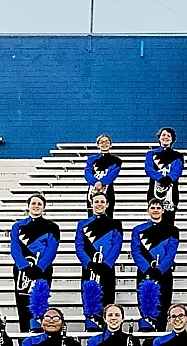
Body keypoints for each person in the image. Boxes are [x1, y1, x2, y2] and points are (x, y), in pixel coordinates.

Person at [8, 194, 60, 329]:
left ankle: (39, 333)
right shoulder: (18, 226)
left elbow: (52, 249)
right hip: (22, 270)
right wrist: (24, 267)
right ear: (28, 206)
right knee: (22, 301)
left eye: (39, 204)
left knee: (40, 301)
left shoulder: (52, 226)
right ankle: (24, 334)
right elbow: (15, 248)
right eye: (33, 203)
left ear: (44, 208)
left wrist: (39, 267)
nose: (36, 206)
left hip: (43, 269)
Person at [75, 191, 123, 331]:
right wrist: (88, 263)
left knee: (107, 298)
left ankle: (107, 330)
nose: (99, 204)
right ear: (91, 204)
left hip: (107, 269)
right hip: (89, 268)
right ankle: (91, 326)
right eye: (96, 201)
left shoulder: (115, 224)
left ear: (107, 204)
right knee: (89, 300)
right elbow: (79, 245)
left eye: (102, 202)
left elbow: (117, 244)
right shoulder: (82, 224)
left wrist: (107, 264)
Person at [130, 197, 179, 331]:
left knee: (163, 303)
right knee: (145, 303)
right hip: (144, 272)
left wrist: (160, 269)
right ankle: (146, 336)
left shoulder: (173, 230)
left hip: (164, 273)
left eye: (158, 208)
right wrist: (146, 269)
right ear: (148, 210)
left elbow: (171, 253)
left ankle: (159, 333)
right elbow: (135, 251)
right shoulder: (138, 230)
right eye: (153, 207)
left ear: (163, 210)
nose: (155, 210)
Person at [144, 126, 184, 219]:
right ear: (159, 138)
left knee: (170, 219)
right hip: (154, 189)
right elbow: (148, 168)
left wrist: (169, 178)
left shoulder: (178, 155)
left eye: (168, 136)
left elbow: (178, 169)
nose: (165, 137)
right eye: (163, 135)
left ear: (172, 139)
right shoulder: (151, 154)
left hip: (172, 190)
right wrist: (160, 178)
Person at [85, 133, 123, 216]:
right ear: (98, 145)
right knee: (91, 216)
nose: (104, 144)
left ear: (110, 144)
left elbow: (113, 174)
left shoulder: (116, 160)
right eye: (101, 142)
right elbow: (87, 172)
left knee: (108, 215)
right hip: (92, 189)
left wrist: (102, 183)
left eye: (107, 142)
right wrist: (95, 182)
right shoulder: (91, 159)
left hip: (108, 190)